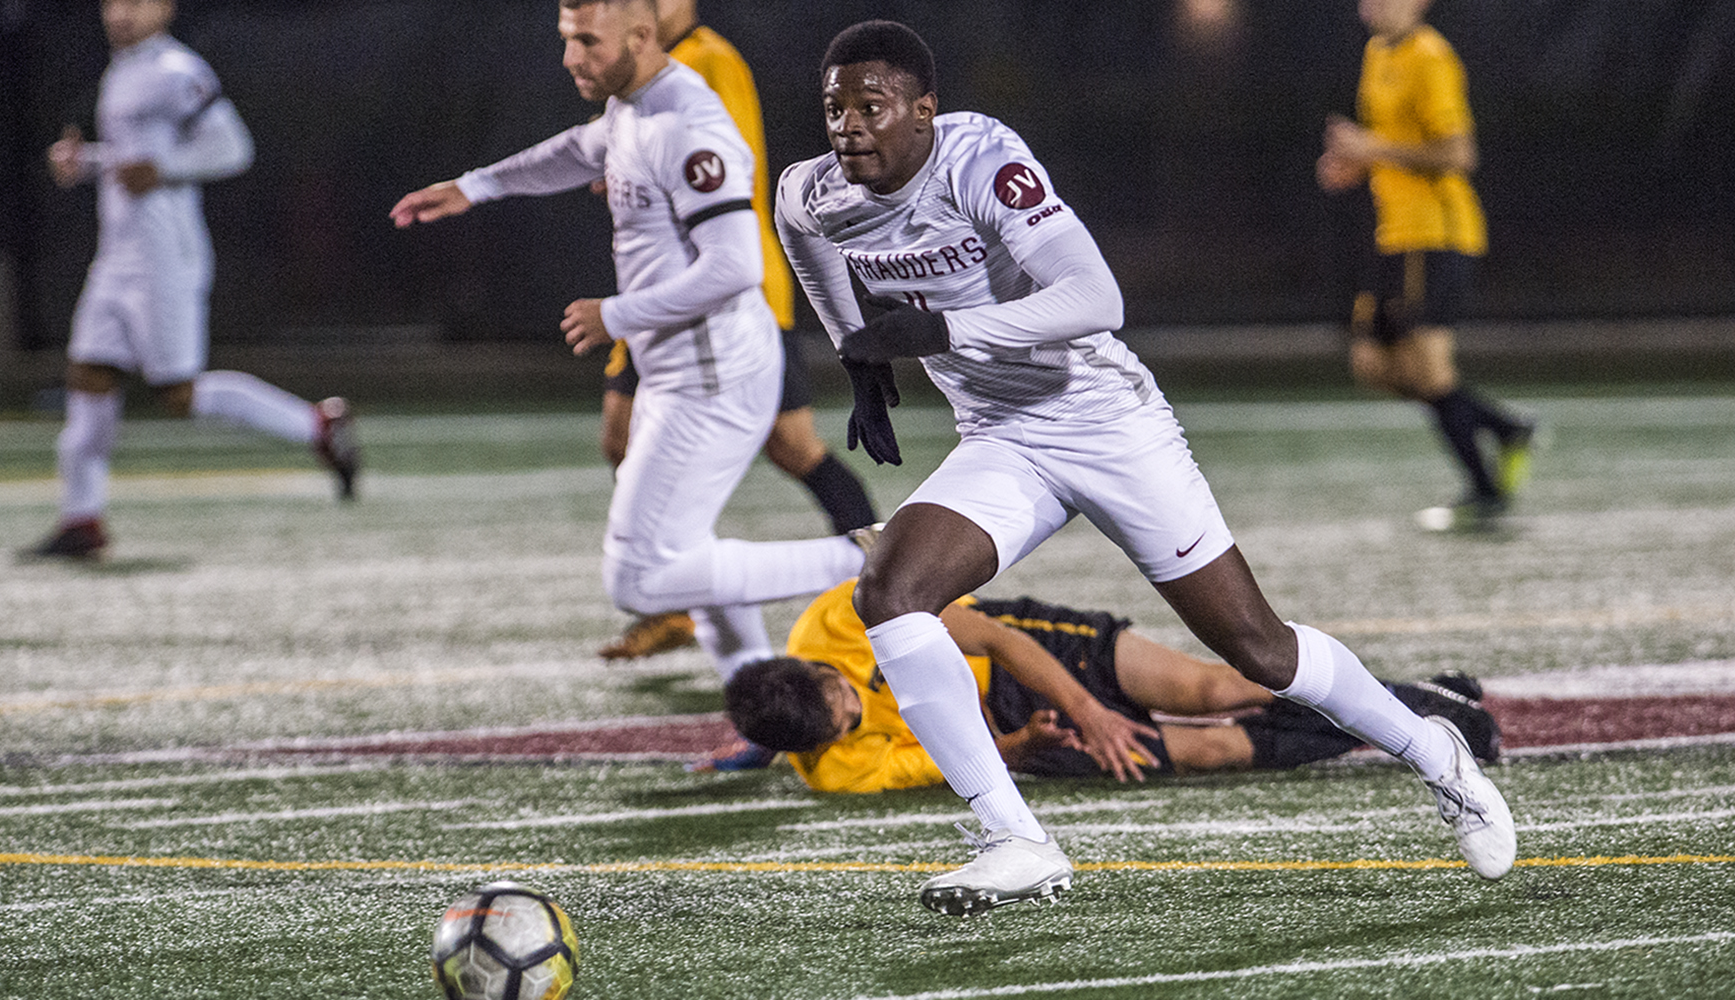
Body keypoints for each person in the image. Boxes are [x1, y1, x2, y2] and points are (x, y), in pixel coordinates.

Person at [775, 20, 1515, 915]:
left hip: (1105, 421)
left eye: (871, 106)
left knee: (1258, 650)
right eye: (834, 109)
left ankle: (1437, 752)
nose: (848, 126)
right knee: (890, 591)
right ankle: (1017, 840)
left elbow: (1096, 299)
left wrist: (939, 329)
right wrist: (858, 357)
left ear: (924, 111)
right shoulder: (812, 191)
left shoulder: (982, 162)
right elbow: (806, 245)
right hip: (1005, 437)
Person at [389, 0, 869, 682]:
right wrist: (476, 186)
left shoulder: (690, 125)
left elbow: (735, 267)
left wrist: (617, 314)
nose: (570, 58)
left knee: (640, 578)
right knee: (682, 552)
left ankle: (869, 561)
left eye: (587, 40)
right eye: (566, 38)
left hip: (714, 379)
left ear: (642, 37)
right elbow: (580, 150)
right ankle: (762, 698)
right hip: (683, 370)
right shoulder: (633, 106)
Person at [594, 0, 878, 663]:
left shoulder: (708, 61)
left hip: (727, 296)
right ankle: (678, 602)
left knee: (792, 445)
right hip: (661, 299)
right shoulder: (645, 72)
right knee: (620, 435)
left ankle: (884, 565)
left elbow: (718, 165)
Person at [29, 0, 361, 561]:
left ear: (167, 8)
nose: (121, 13)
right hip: (116, 259)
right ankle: (82, 519)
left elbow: (233, 147)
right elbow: (138, 155)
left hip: (166, 258)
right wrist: (84, 161)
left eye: (138, 2)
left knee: (178, 395)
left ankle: (315, 426)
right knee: (87, 377)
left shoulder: (177, 71)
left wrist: (165, 170)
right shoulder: (124, 69)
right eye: (114, 1)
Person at [726, 580, 1502, 794]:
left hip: (1017, 652)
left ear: (815, 664)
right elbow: (966, 756)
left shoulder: (844, 618)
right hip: (1011, 732)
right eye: (846, 723)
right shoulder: (836, 768)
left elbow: (998, 636)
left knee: (1213, 689)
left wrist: (1090, 711)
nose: (862, 709)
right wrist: (1026, 744)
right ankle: (1434, 708)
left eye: (847, 694)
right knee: (1213, 751)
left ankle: (1432, 708)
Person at [1317, 0, 1536, 533]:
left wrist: (1372, 146)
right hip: (1392, 234)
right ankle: (1505, 428)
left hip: (1437, 233)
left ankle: (1484, 492)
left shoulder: (1432, 55)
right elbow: (1396, 145)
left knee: (1429, 370)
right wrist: (1358, 160)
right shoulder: (1375, 52)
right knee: (1373, 365)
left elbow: (1459, 154)